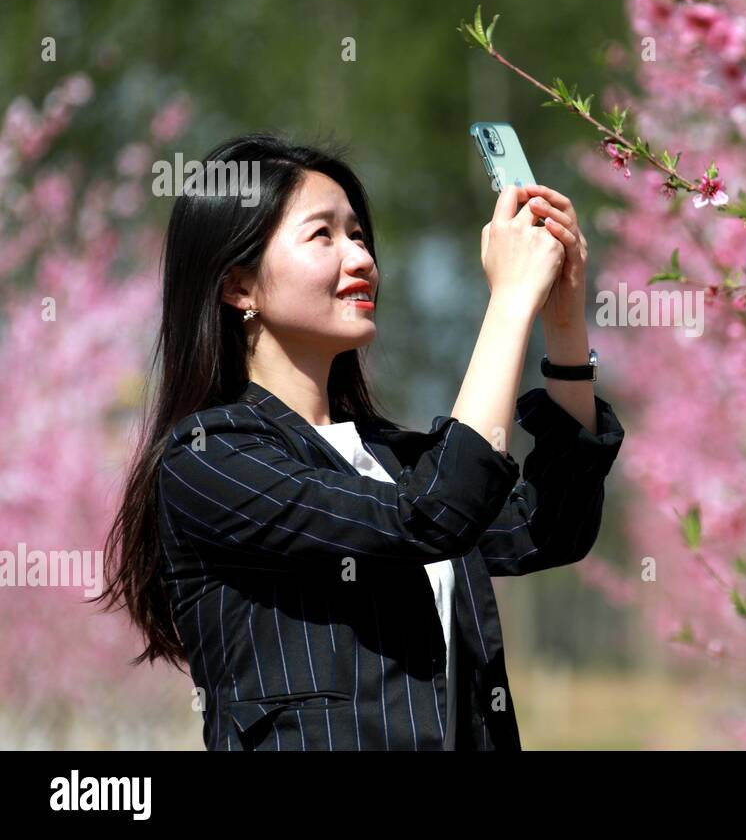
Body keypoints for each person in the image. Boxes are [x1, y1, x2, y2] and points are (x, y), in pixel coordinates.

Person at [99, 133, 625, 749]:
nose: (360, 258)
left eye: (358, 234)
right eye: (323, 235)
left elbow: (551, 527)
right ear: (238, 286)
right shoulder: (210, 460)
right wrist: (508, 303)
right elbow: (432, 516)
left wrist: (562, 325)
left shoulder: (387, 458)